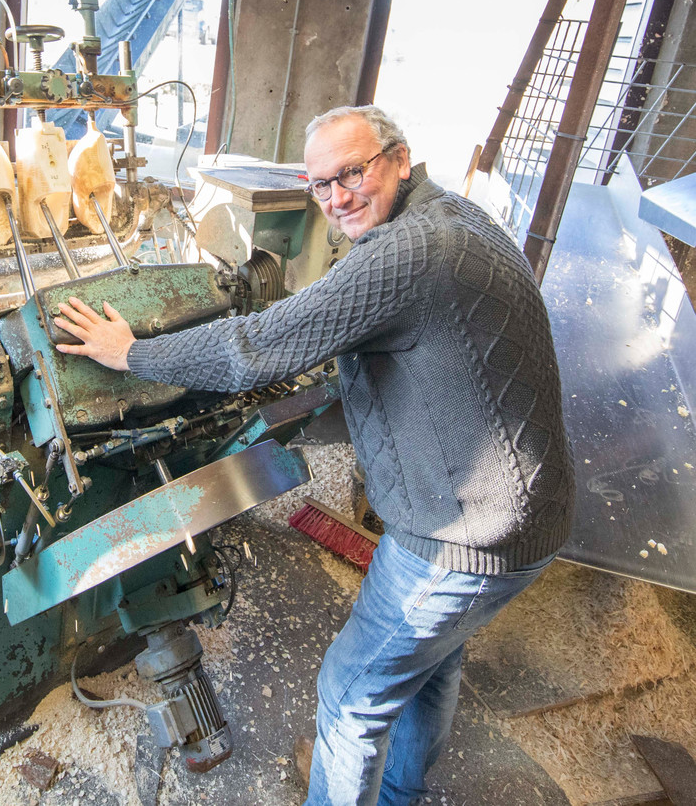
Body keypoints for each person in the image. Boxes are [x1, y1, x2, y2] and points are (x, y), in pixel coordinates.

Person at [52, 105, 573, 806]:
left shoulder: (407, 253)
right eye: (321, 184)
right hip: (527, 514)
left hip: (462, 539)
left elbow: (254, 348)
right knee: (431, 662)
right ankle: (398, 790)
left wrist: (133, 353)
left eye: (352, 173)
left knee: (351, 695)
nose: (337, 197)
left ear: (399, 159)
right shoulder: (454, 216)